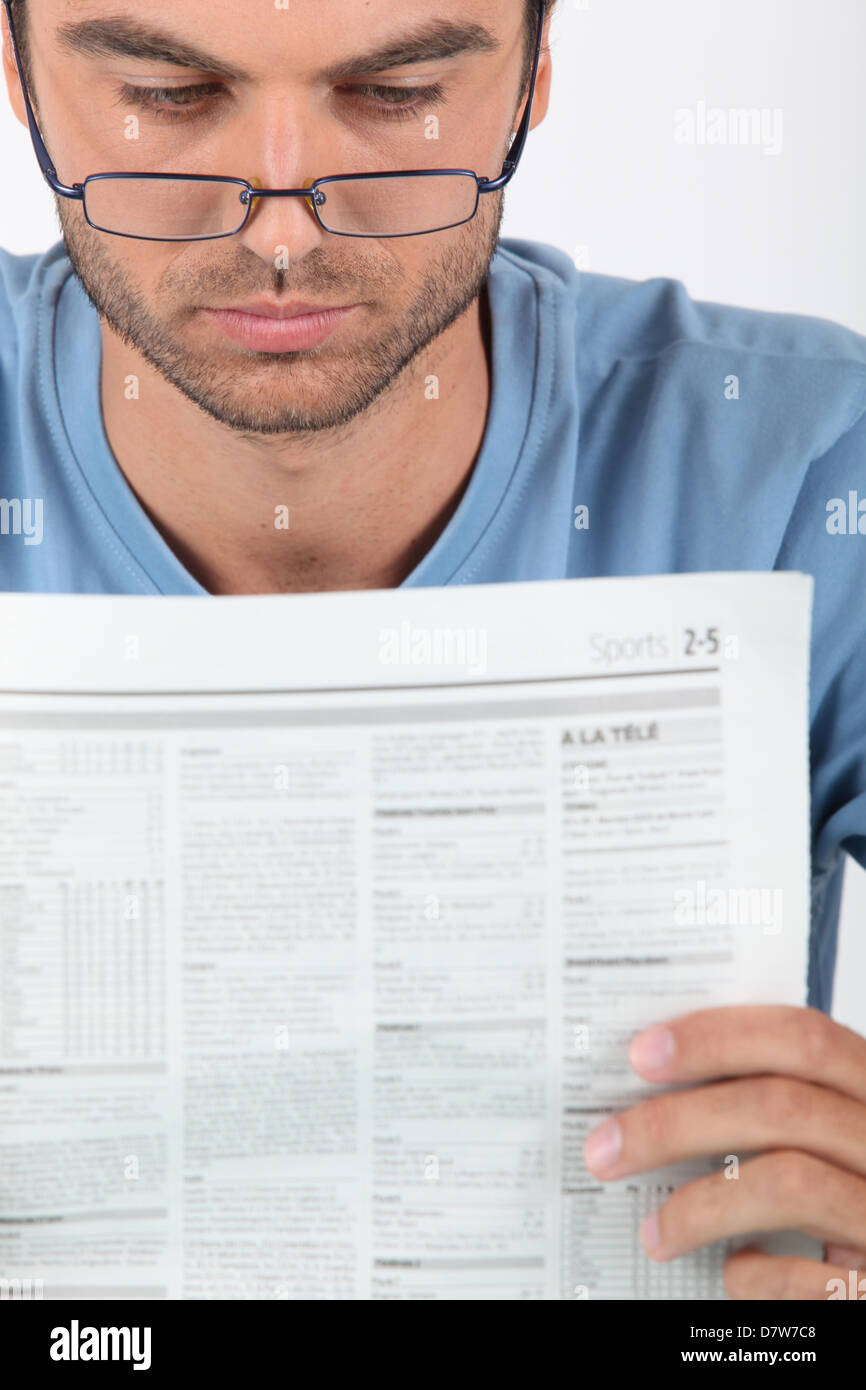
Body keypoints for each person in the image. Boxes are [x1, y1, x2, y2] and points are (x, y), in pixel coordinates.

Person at [1, 0, 865, 1299]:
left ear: (532, 78)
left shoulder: (803, 464)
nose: (282, 221)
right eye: (170, 95)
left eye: (396, 91)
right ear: (14, 69)